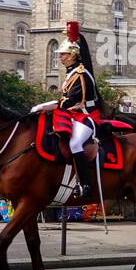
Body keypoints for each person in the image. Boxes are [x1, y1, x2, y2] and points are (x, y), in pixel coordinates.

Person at [31, 21, 99, 197]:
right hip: (73, 116)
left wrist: (47, 106)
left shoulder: (81, 74)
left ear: (73, 55)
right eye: (60, 54)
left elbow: (73, 102)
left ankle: (84, 184)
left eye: (63, 54)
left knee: (75, 142)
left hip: (85, 117)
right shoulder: (71, 74)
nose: (60, 57)